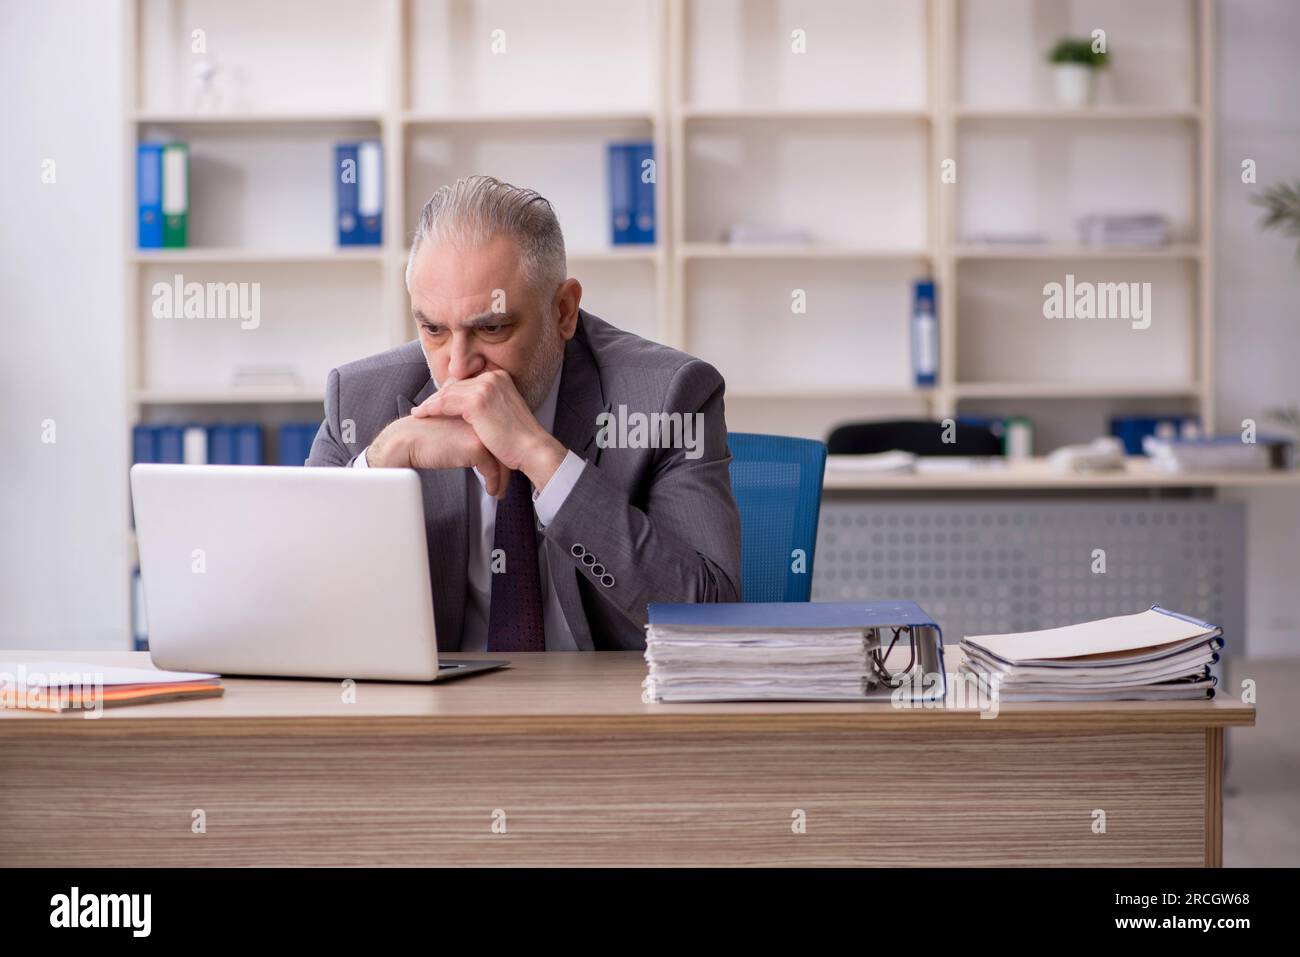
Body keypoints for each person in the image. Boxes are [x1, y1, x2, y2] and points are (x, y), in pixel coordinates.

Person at [307, 176, 741, 651]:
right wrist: (380, 463)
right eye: (432, 328)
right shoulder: (360, 399)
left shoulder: (666, 397)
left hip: (604, 714)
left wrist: (545, 461)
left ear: (563, 310)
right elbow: (294, 603)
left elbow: (710, 620)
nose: (457, 367)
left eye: (492, 328)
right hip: (430, 718)